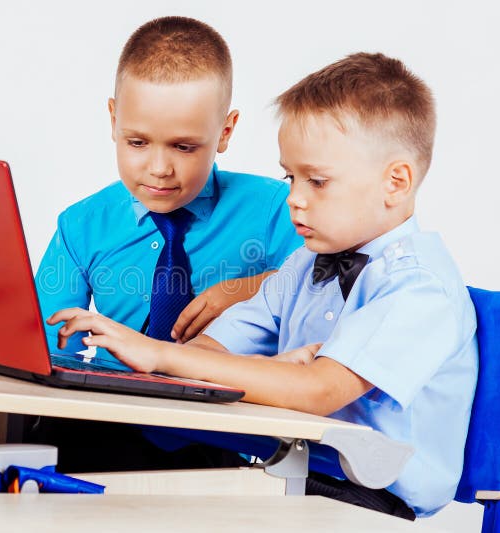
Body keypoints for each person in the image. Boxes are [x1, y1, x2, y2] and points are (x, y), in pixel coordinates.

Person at [51, 52, 479, 519]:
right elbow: (207, 352)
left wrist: (158, 352)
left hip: (366, 502)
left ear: (395, 182)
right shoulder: (302, 265)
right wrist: (264, 366)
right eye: (290, 177)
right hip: (282, 477)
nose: (294, 198)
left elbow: (319, 391)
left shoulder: (419, 287)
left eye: (317, 181)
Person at [28, 16, 301, 471]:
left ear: (226, 132)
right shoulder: (81, 226)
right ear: (113, 119)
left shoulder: (277, 208)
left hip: (227, 433)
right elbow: (42, 346)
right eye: (137, 142)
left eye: (184, 147)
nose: (158, 168)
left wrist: (245, 288)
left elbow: (325, 285)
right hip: (106, 422)